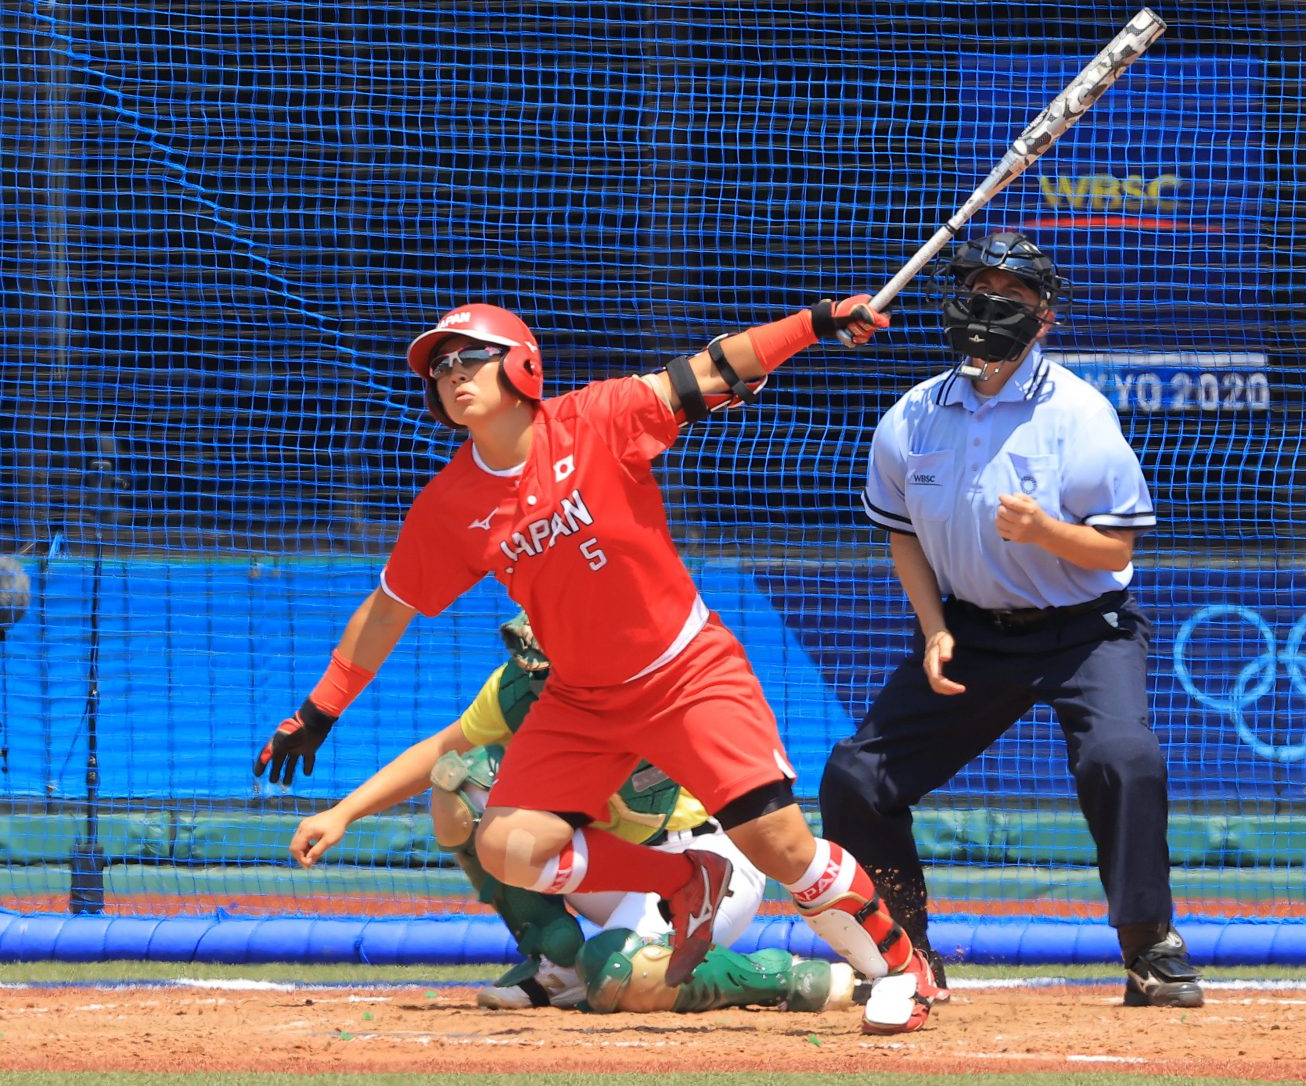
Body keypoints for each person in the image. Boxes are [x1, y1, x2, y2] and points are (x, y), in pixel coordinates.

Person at [257, 292, 940, 1034]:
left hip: (684, 671)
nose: (454, 375)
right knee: (509, 845)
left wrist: (812, 326)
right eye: (441, 368)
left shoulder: (599, 417)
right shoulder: (449, 505)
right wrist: (319, 710)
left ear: (519, 364)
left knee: (778, 844)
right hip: (584, 699)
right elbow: (386, 610)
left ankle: (903, 969)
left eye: (469, 358)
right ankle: (687, 881)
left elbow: (714, 366)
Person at [818, 230, 1204, 1009]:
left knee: (1124, 759)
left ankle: (1148, 946)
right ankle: (905, 954)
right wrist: (933, 629)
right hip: (972, 633)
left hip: (1086, 632)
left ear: (1044, 318)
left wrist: (1044, 532)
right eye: (978, 287)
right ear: (954, 298)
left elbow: (1116, 545)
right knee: (855, 777)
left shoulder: (1080, 414)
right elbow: (901, 533)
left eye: (1014, 296)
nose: (992, 305)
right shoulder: (911, 418)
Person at [290, 615, 858, 1016]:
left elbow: (647, 816)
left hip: (706, 864)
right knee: (462, 783)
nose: (537, 669)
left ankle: (780, 977)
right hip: (613, 863)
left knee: (619, 976)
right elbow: (441, 754)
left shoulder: (661, 684)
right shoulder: (523, 686)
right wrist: (344, 813)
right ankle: (555, 962)